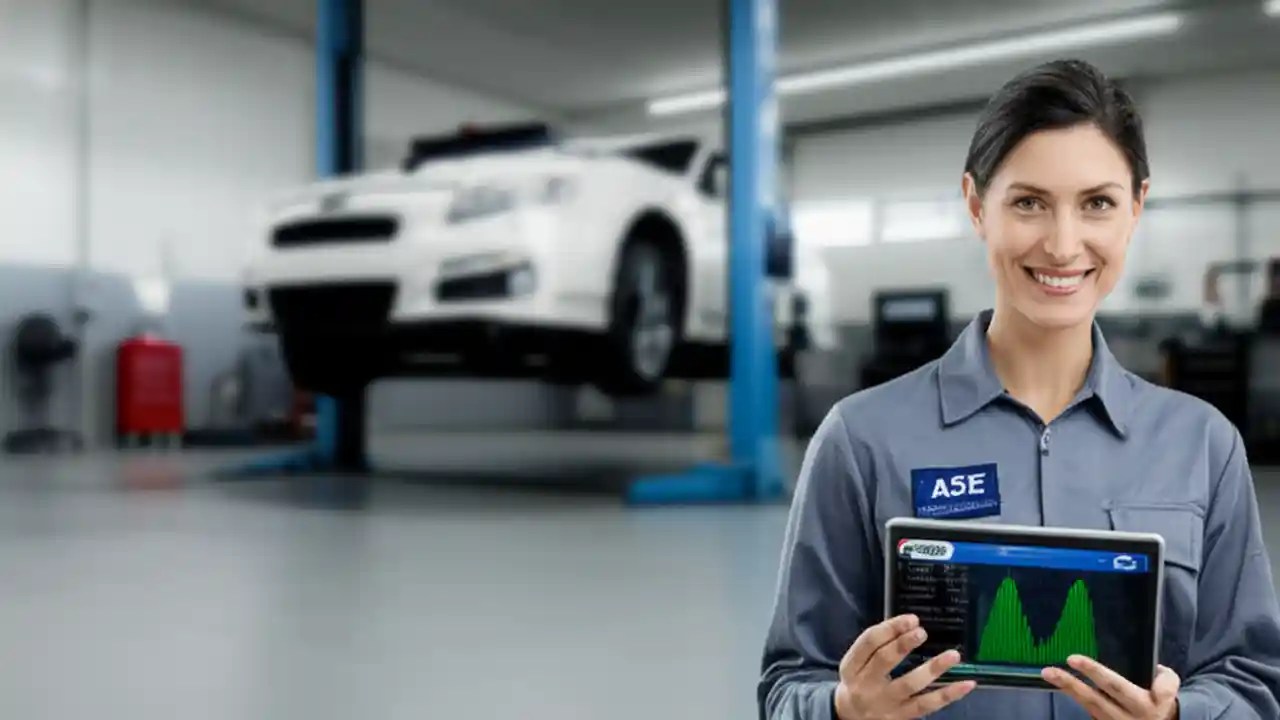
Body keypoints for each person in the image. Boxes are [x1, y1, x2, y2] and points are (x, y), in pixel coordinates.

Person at [757, 58, 1280, 720]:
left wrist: (1179, 716)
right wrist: (842, 707)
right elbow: (786, 685)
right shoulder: (862, 440)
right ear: (978, 206)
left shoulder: (1203, 445)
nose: (1063, 245)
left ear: (1135, 209)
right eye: (1029, 202)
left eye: (1097, 203)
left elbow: (1254, 682)